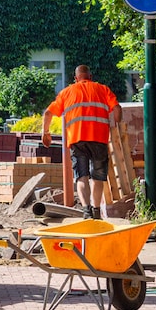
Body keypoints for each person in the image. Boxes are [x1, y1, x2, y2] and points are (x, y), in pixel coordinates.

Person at [41, 65, 122, 220]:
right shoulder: (103, 89)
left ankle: (86, 211)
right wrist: (117, 126)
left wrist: (45, 133)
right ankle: (96, 210)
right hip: (99, 139)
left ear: (76, 78)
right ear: (90, 76)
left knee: (81, 176)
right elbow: (117, 108)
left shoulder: (67, 92)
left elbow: (48, 113)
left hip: (77, 140)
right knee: (98, 176)